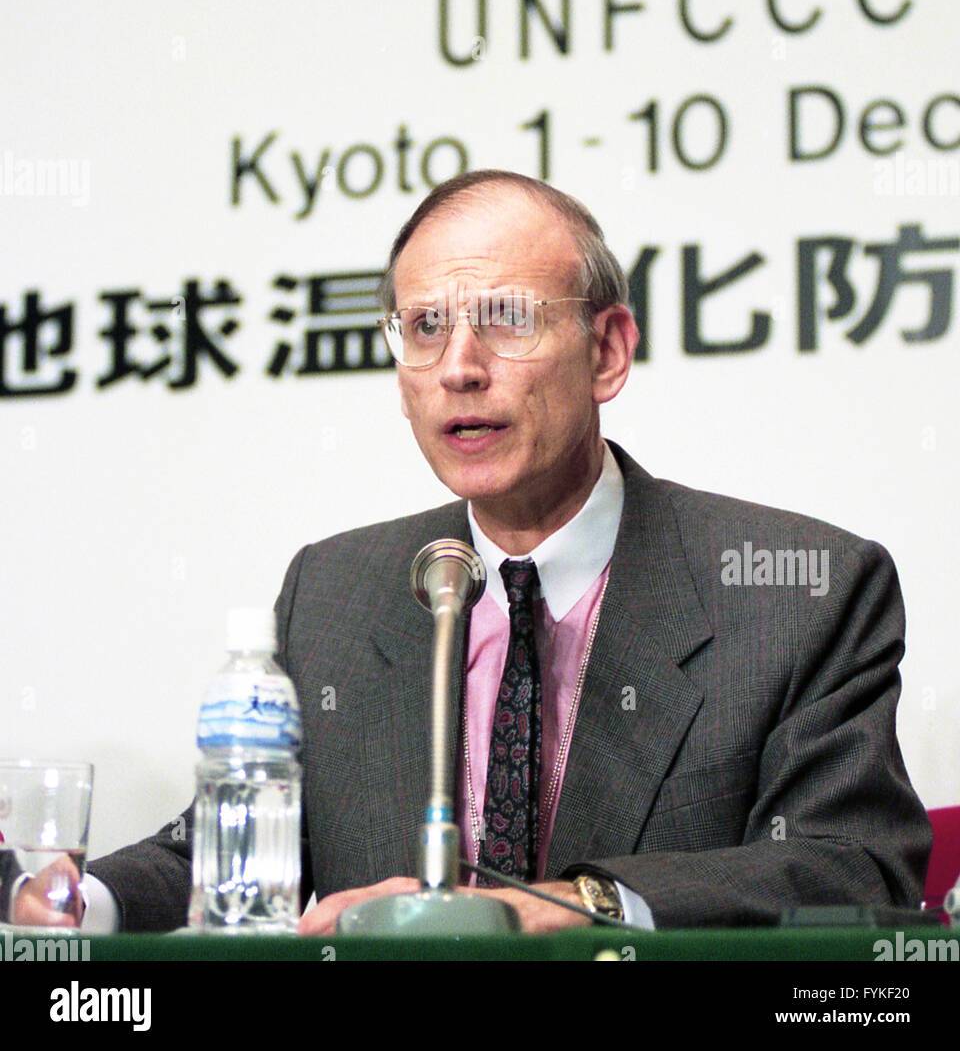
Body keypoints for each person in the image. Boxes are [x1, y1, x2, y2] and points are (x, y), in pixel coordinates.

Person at [21, 170, 931, 932]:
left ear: (608, 351)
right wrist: (72, 895)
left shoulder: (798, 591)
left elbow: (851, 869)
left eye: (505, 318)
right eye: (424, 328)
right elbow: (231, 841)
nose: (459, 365)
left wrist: (581, 905)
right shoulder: (335, 592)